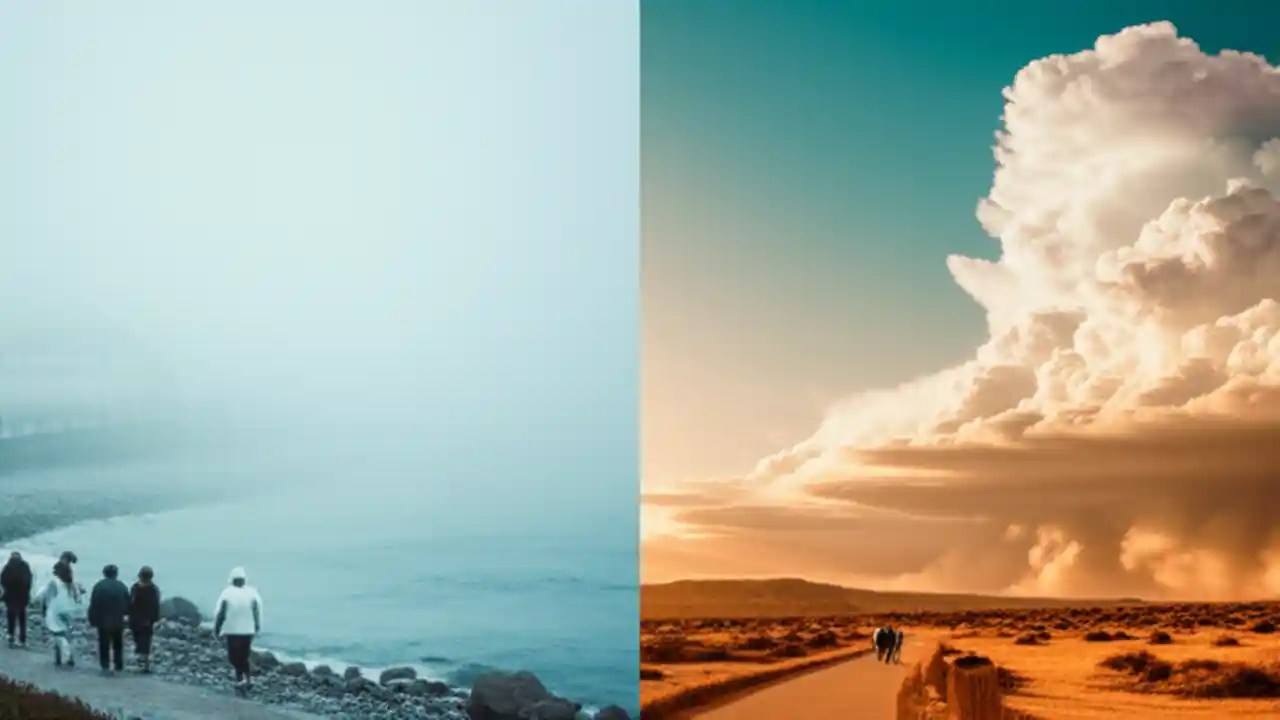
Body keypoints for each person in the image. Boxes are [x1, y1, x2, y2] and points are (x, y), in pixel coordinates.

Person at [213, 566, 263, 696]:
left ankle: (243, 679)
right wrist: (257, 625)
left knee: (234, 656)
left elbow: (221, 613)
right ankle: (245, 679)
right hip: (247, 630)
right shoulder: (252, 592)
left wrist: (217, 628)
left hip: (233, 630)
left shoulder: (227, 593)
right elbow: (256, 610)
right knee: (243, 655)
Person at [37, 560, 82, 668]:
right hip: (70, 611)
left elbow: (43, 595)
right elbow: (78, 598)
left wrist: (43, 608)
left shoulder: (54, 582)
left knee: (58, 635)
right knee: (68, 634)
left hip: (56, 611)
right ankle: (69, 656)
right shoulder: (72, 583)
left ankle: (62, 658)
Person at [88, 564, 130, 675]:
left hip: (103, 620)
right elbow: (128, 603)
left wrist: (92, 619)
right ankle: (118, 665)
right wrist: (126, 616)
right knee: (118, 643)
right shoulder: (122, 586)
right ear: (116, 574)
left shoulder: (99, 586)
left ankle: (105, 665)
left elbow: (94, 604)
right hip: (118, 620)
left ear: (104, 573)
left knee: (103, 643)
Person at [128, 566, 161, 673]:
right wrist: (155, 619)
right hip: (148, 620)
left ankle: (141, 660)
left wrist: (127, 615)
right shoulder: (154, 589)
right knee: (146, 640)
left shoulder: (135, 588)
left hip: (136, 619)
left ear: (140, 576)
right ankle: (145, 661)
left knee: (138, 639)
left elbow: (131, 604)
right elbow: (156, 606)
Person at [0, 552, 33, 648]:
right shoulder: (25, 567)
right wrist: (26, 590)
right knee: (22, 618)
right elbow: (29, 581)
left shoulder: (8, 567)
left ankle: (11, 637)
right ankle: (22, 639)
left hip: (11, 597)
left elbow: (3, 581)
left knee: (11, 618)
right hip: (22, 597)